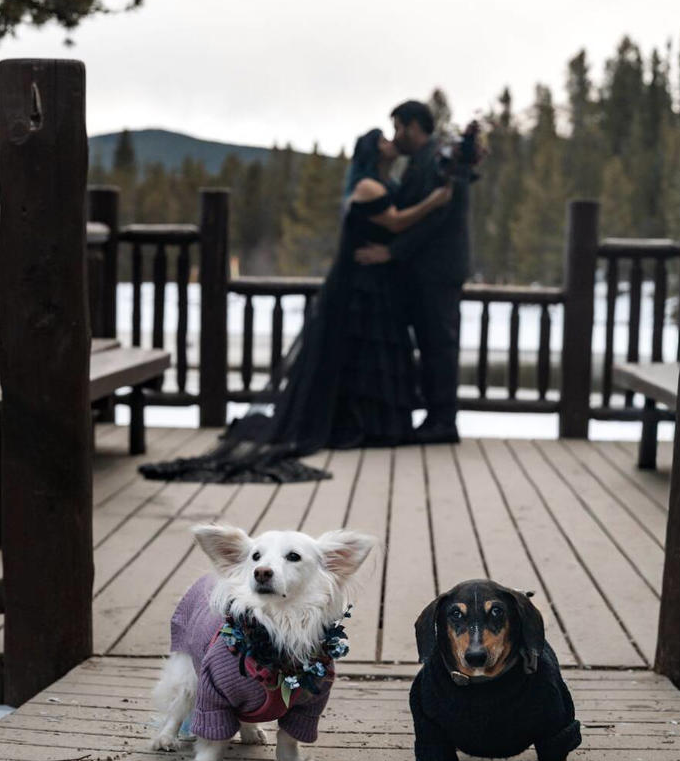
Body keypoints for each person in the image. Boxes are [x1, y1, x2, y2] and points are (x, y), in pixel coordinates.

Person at [139, 129, 452, 483]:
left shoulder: (385, 182)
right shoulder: (367, 186)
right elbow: (395, 221)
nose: (389, 142)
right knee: (354, 354)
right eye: (381, 140)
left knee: (369, 356)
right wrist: (434, 203)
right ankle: (355, 423)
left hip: (377, 282)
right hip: (356, 284)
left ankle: (373, 424)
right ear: (371, 151)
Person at [355, 101, 475, 445]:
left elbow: (439, 218)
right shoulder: (424, 161)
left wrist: (392, 252)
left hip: (437, 269)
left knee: (439, 344)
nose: (395, 136)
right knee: (429, 343)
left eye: (397, 128)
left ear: (411, 127)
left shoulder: (441, 160)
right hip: (423, 271)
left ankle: (443, 421)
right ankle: (434, 417)